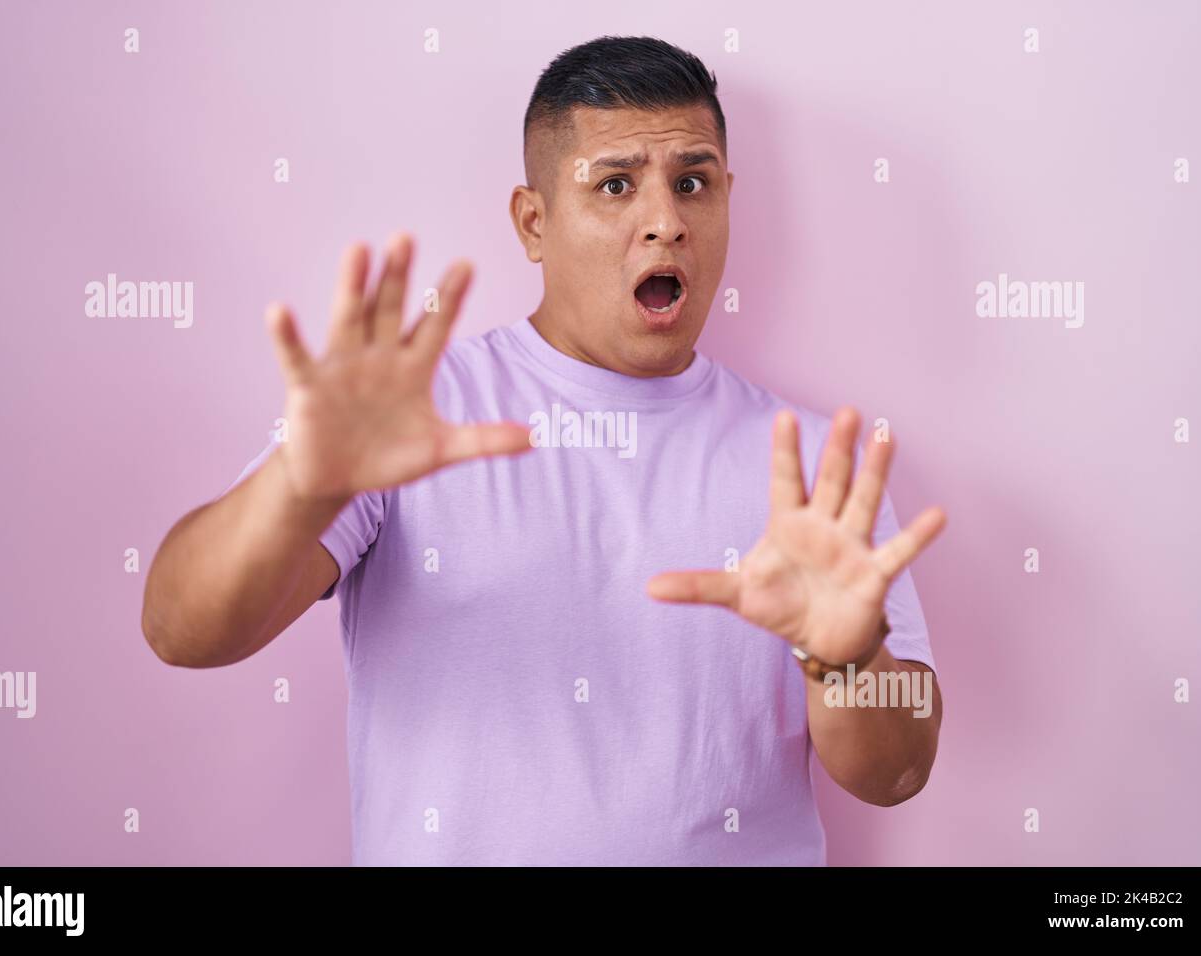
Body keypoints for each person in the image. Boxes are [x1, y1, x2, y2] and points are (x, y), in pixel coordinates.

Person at [141, 35, 947, 866]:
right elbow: (180, 628)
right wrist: (301, 489)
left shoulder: (816, 465)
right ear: (534, 222)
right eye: (615, 185)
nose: (665, 221)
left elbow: (898, 773)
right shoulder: (412, 420)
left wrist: (845, 657)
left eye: (693, 183)